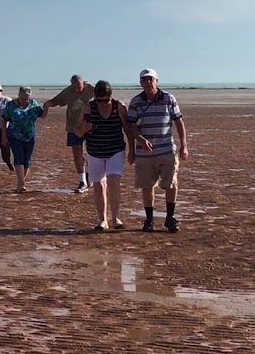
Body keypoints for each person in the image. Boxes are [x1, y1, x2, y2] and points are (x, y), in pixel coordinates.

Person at [125, 68, 189, 233]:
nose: (147, 83)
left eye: (150, 79)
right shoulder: (136, 102)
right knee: (147, 186)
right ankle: (149, 219)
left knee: (171, 184)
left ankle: (170, 218)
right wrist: (139, 141)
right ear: (140, 83)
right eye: (144, 80)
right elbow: (131, 127)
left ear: (156, 81)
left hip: (167, 150)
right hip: (144, 153)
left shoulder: (168, 98)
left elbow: (178, 121)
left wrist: (184, 145)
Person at [74, 80, 128, 231]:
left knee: (113, 181)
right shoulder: (88, 108)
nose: (103, 103)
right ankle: (102, 219)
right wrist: (83, 129)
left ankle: (115, 217)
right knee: (98, 185)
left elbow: (128, 129)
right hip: (94, 151)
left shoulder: (119, 107)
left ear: (111, 96)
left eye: (106, 100)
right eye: (99, 100)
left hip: (115, 149)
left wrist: (133, 150)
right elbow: (77, 130)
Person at [46, 74, 96, 194]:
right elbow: (56, 101)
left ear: (83, 83)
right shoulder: (68, 92)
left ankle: (90, 173)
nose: (78, 90)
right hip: (73, 126)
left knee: (92, 152)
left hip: (90, 125)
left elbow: (105, 95)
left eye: (79, 87)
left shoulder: (91, 88)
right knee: (77, 153)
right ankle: (82, 181)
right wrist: (47, 104)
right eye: (75, 87)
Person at [2, 86, 48, 192]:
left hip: (30, 136)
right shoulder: (11, 105)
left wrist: (46, 108)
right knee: (18, 157)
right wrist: (3, 136)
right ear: (19, 95)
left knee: (27, 160)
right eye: (23, 98)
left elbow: (43, 116)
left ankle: (21, 181)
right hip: (14, 136)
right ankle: (21, 182)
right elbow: (4, 119)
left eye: (27, 98)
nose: (25, 101)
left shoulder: (33, 104)